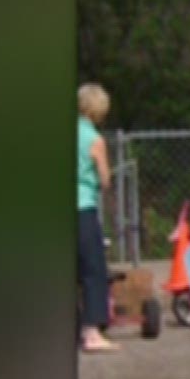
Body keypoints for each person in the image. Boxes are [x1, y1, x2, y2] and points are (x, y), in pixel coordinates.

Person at [77, 83, 119, 353]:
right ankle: (92, 332)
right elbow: (104, 179)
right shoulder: (94, 140)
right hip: (82, 208)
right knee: (94, 271)